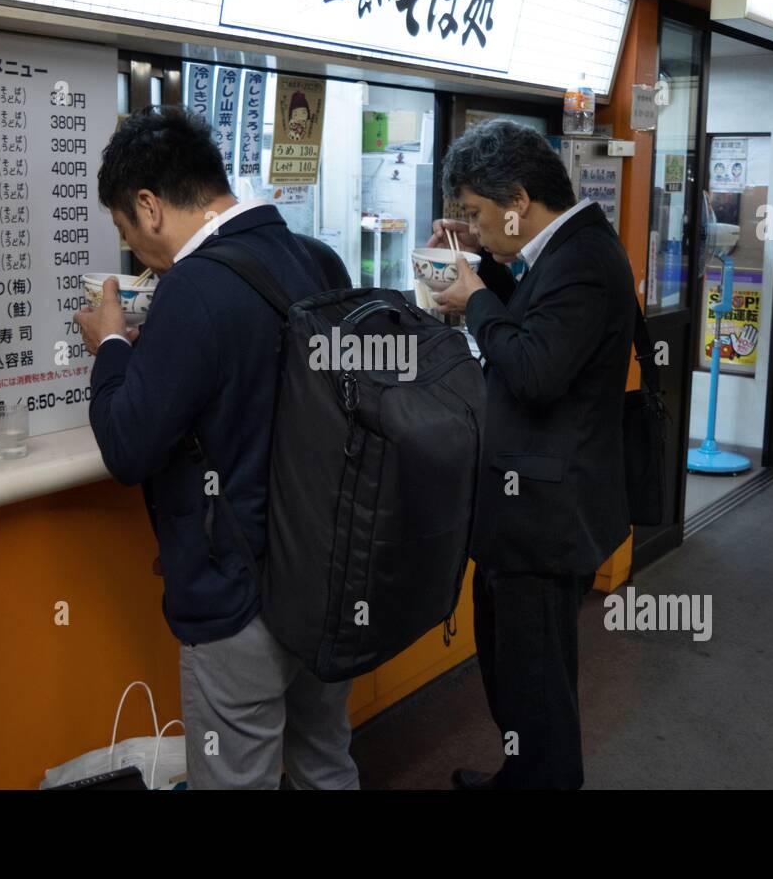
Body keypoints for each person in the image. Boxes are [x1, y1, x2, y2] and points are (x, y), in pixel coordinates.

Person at [74, 107, 359, 790]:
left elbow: (128, 447)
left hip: (241, 594)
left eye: (124, 231)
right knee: (325, 760)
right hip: (328, 571)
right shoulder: (314, 257)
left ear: (149, 206)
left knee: (236, 775)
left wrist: (111, 346)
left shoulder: (194, 288)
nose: (134, 251)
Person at [428, 120, 637, 790]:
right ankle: (519, 776)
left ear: (517, 198)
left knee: (537, 690)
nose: (476, 226)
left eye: (477, 214)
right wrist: (484, 267)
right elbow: (538, 323)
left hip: (544, 518)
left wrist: (476, 298)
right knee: (518, 676)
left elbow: (535, 368)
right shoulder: (569, 249)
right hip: (533, 508)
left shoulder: (583, 261)